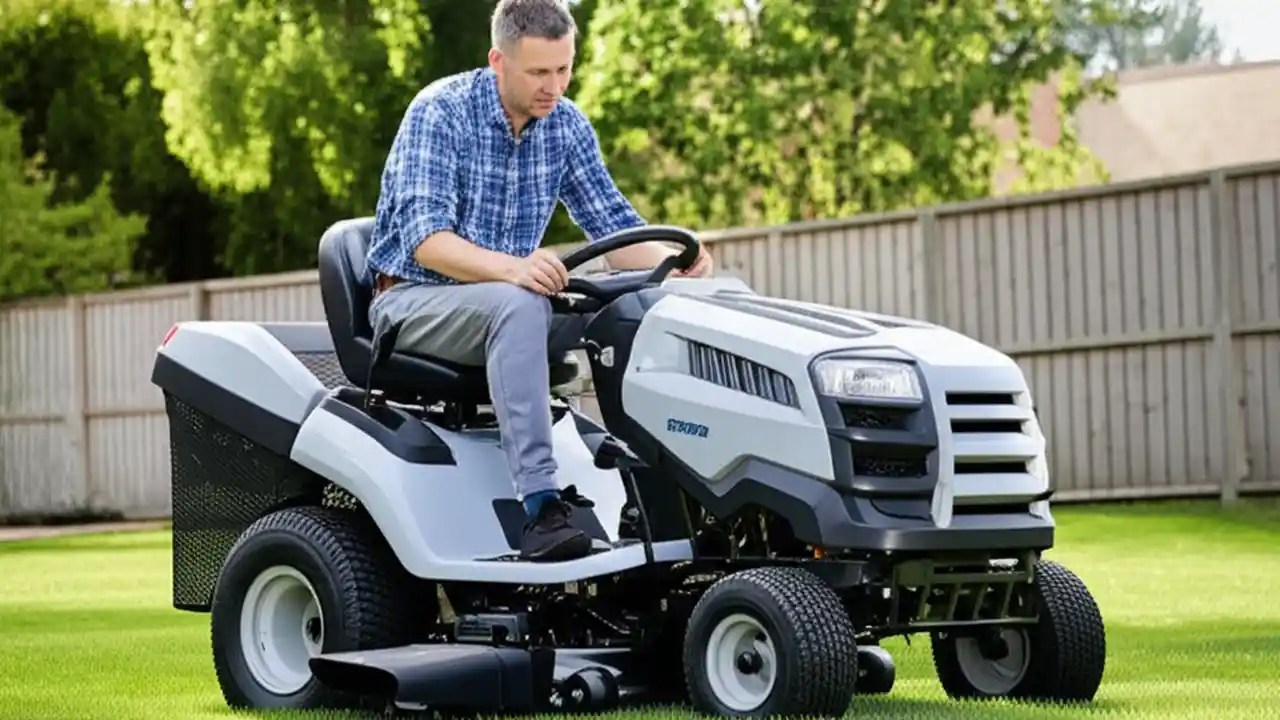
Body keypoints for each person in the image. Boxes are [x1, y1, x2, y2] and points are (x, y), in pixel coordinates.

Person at [364, 0, 713, 562]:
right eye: (538, 73)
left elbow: (616, 228)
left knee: (646, 306)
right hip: (414, 301)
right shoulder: (439, 112)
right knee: (519, 304)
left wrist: (679, 263)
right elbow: (426, 240)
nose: (554, 87)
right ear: (497, 61)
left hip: (508, 298)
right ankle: (541, 508)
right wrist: (514, 268)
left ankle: (661, 485)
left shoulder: (565, 125)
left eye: (564, 69)